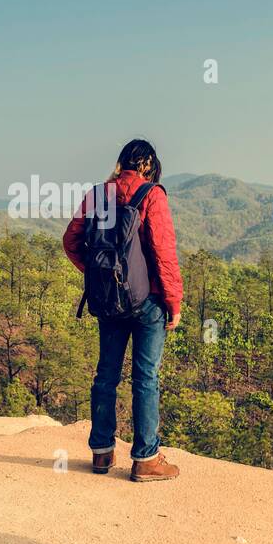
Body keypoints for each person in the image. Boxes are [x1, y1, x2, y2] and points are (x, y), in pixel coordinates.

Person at [63, 139, 184, 482]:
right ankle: (145, 459)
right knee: (145, 377)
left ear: (120, 163)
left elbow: (70, 241)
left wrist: (99, 276)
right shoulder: (152, 195)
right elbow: (163, 253)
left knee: (106, 375)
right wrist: (173, 302)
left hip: (109, 301)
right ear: (150, 166)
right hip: (148, 303)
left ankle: (101, 453)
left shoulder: (98, 194)